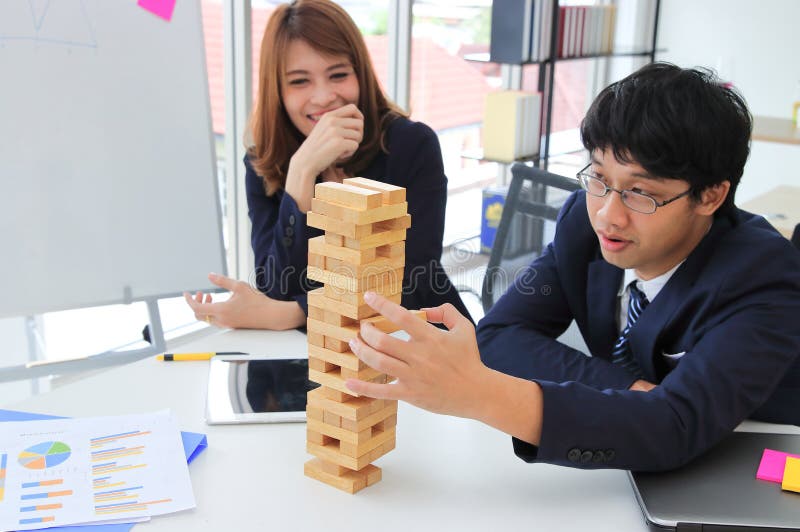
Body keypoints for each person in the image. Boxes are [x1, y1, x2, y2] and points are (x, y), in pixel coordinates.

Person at [344, 63, 800, 472]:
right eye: (600, 178)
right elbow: (499, 336)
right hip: (626, 451)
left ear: (710, 196)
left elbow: (676, 426)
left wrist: (480, 394)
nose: (608, 214)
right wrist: (630, 391)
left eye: (640, 193)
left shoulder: (764, 278)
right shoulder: (584, 224)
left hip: (756, 455)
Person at [184, 0, 470, 329]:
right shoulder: (262, 162)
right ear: (278, 90)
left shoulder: (411, 144)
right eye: (299, 81)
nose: (323, 97)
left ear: (360, 74)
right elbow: (278, 286)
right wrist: (302, 175)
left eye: (338, 75)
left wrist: (295, 313)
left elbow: (413, 276)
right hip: (317, 352)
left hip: (417, 337)